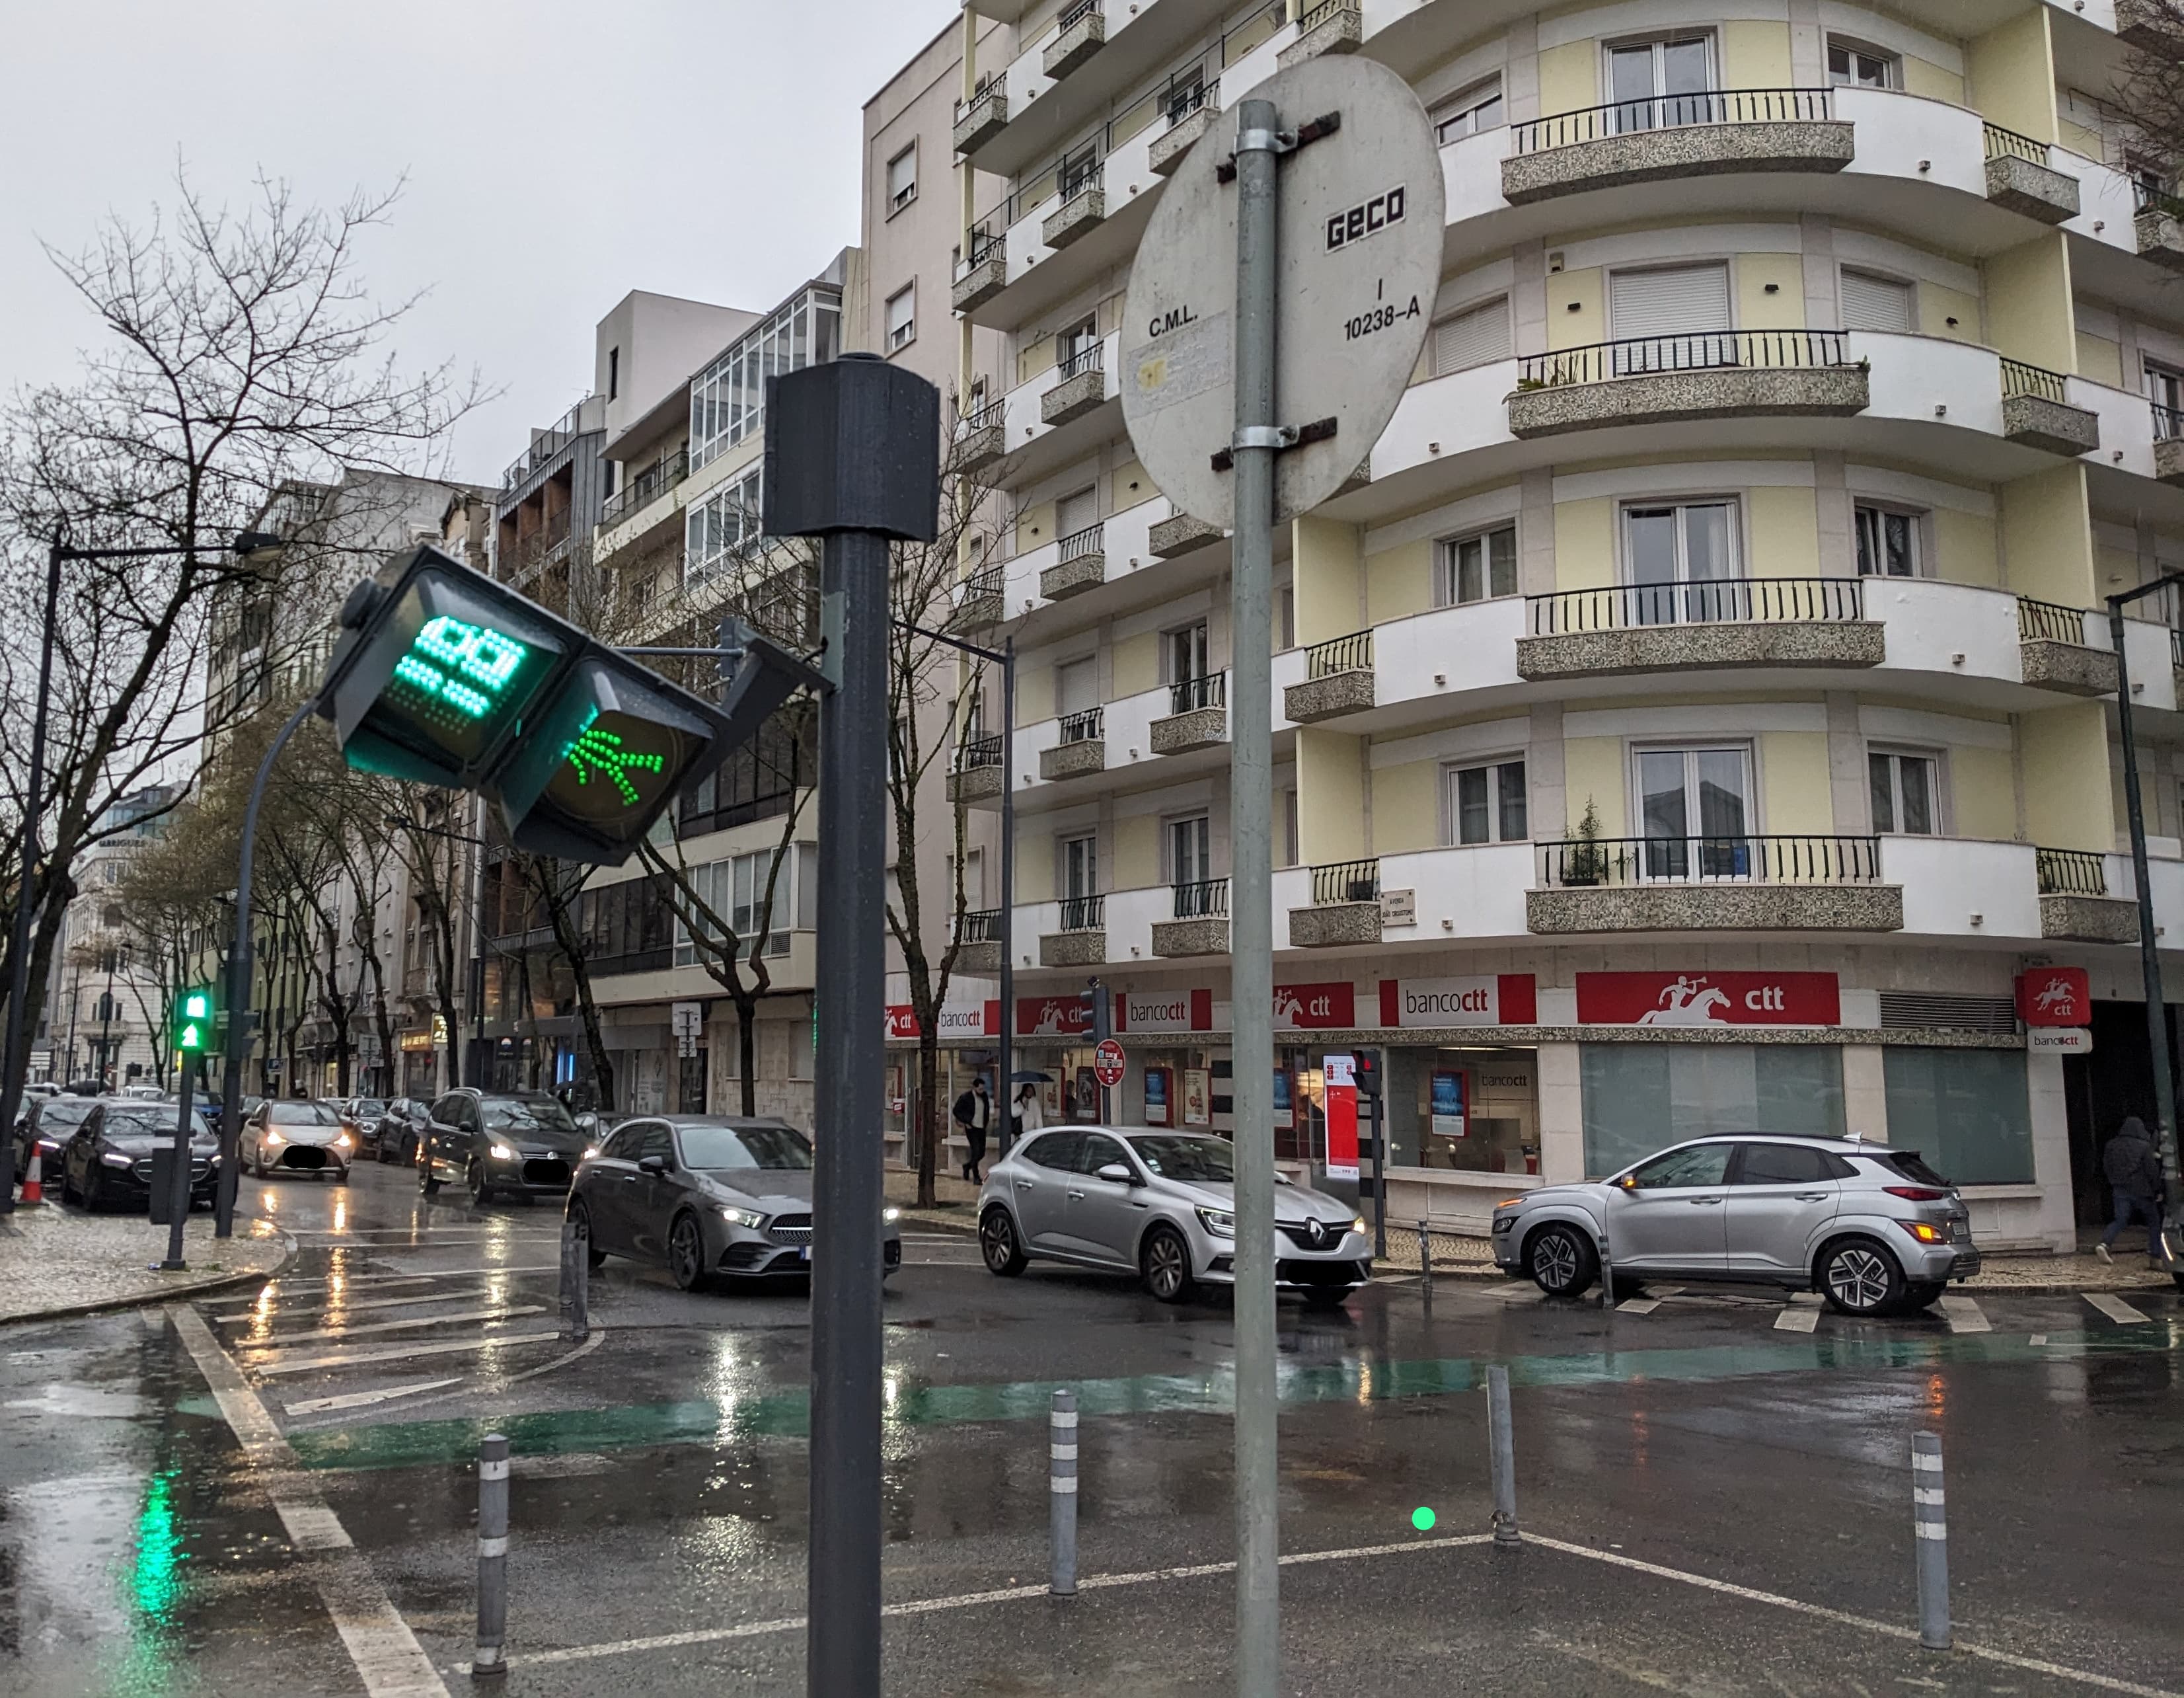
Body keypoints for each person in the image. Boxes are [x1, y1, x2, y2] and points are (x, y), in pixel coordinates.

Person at [2097, 1115, 2166, 1264]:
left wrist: (2113, 1181)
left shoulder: (2111, 1145)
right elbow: (2151, 1171)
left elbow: (2106, 1166)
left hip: (2120, 1188)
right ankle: (2155, 1255)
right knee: (2154, 1221)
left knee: (2120, 1220)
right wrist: (2158, 1190)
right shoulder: (2144, 1146)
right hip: (2142, 1191)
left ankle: (2105, 1243)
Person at [952, 1075, 993, 1184]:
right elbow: (956, 1110)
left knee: (981, 1153)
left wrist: (986, 1122)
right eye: (980, 1089)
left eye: (983, 1089)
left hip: (981, 1128)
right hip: (972, 1128)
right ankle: (976, 1177)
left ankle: (967, 1166)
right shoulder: (966, 1097)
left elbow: (986, 1110)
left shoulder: (984, 1096)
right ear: (974, 1088)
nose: (982, 1091)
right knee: (976, 1151)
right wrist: (965, 1122)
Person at [1010, 1080, 1043, 1153]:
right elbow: (1014, 1113)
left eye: (1031, 1091)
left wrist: (1040, 1131)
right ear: (1024, 1091)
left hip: (1031, 1131)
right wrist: (1023, 1106)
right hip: (1019, 1131)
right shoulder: (1019, 1100)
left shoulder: (1035, 1102)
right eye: (1028, 1090)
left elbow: (1038, 1118)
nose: (1030, 1092)